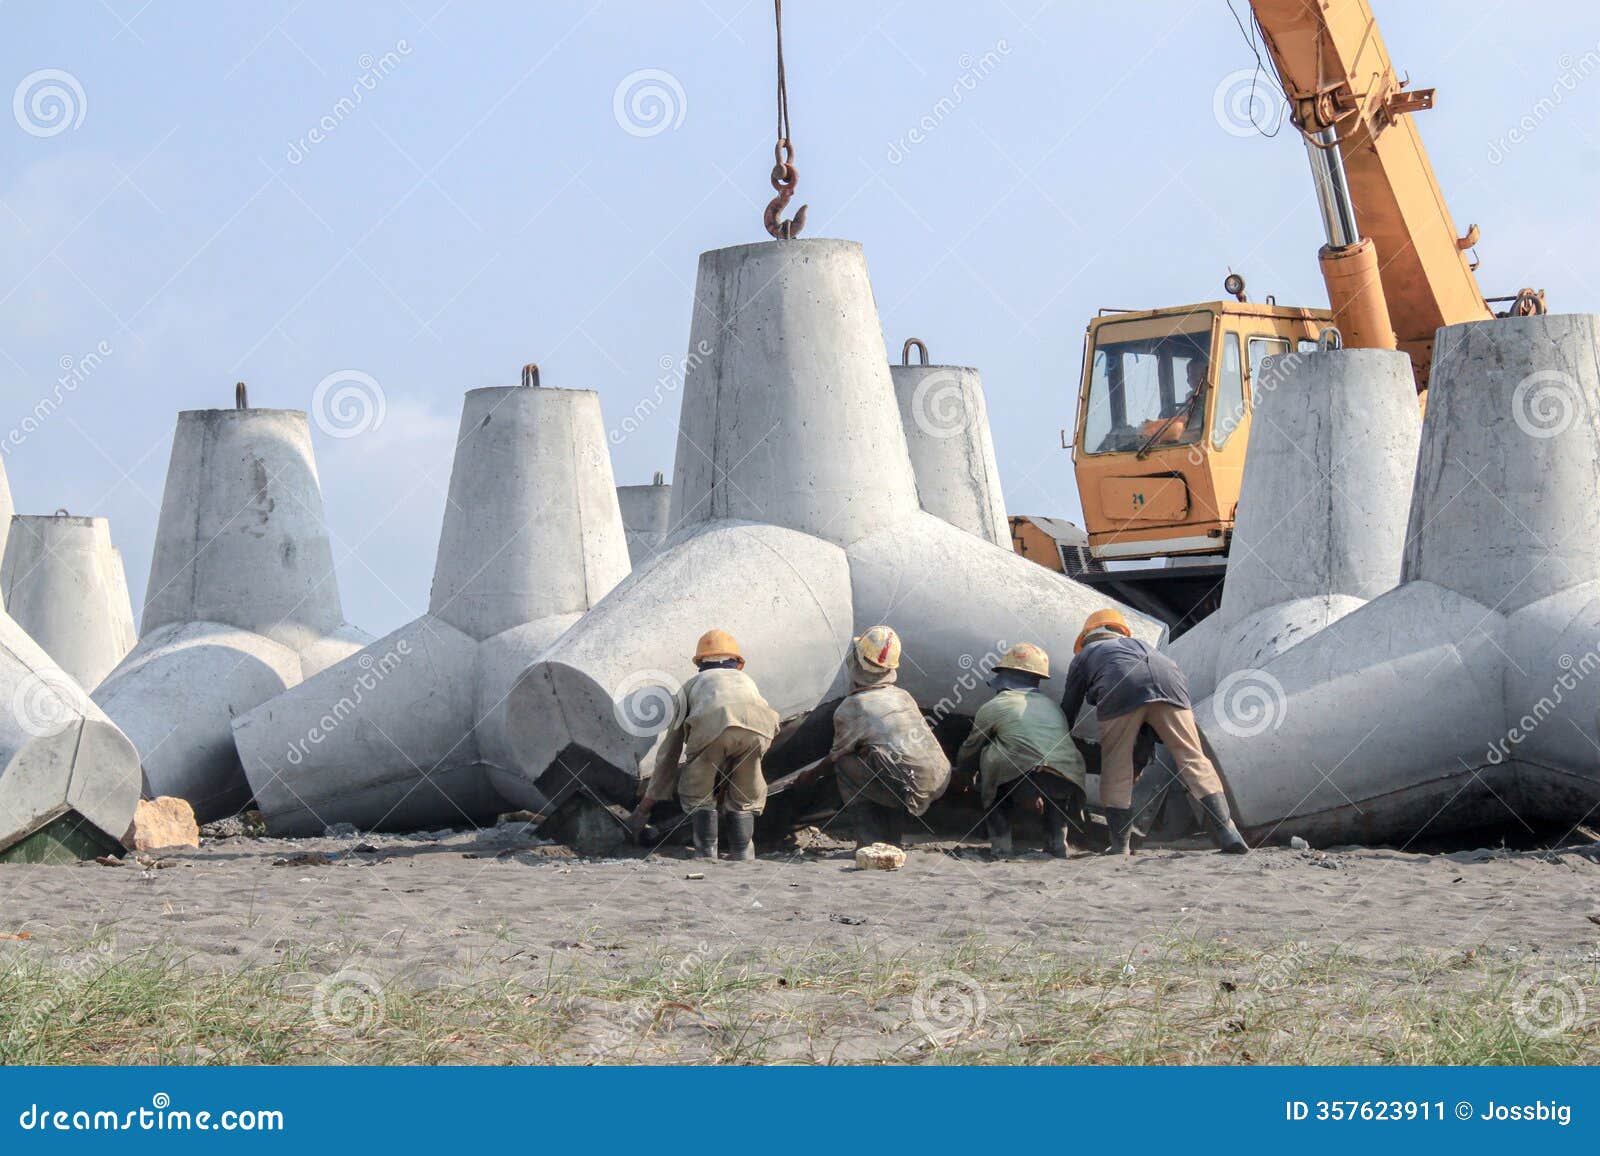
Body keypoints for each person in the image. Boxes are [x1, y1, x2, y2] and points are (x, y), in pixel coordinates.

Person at [1061, 609, 1247, 856]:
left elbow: (1069, 707)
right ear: (1119, 631)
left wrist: (1058, 738)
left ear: (1086, 637)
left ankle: (1119, 845)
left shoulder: (1085, 655)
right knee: (1193, 758)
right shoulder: (1143, 645)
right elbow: (1148, 715)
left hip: (1121, 688)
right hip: (1171, 683)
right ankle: (1228, 833)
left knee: (1117, 766)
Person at [628, 629, 780, 862]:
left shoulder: (692, 686)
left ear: (700, 662)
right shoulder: (746, 680)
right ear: (737, 662)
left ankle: (707, 854)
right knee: (745, 794)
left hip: (713, 728)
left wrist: (644, 808)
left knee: (696, 791)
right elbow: (760, 723)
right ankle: (743, 853)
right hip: (761, 728)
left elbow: (669, 753)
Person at [797, 626, 950, 849]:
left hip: (908, 789)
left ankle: (869, 840)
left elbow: (835, 757)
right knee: (881, 761)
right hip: (937, 780)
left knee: (845, 764)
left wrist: (808, 777)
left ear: (857, 663)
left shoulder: (853, 706)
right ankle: (892, 837)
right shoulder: (902, 696)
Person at [954, 643, 1086, 858]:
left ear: (1002, 677)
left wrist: (965, 774)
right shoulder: (1053, 707)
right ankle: (1057, 845)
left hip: (1020, 775)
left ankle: (1001, 847)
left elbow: (971, 748)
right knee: (1056, 799)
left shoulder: (995, 706)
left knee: (991, 756)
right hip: (1068, 775)